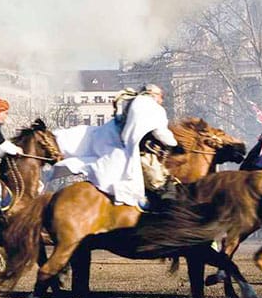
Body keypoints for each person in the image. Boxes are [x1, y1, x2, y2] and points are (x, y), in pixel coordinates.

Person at [49, 84, 178, 209]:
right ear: (154, 95)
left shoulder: (134, 102)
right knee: (158, 181)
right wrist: (174, 144)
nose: (161, 100)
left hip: (111, 142)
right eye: (161, 97)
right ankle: (163, 208)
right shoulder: (151, 106)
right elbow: (161, 133)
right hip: (129, 151)